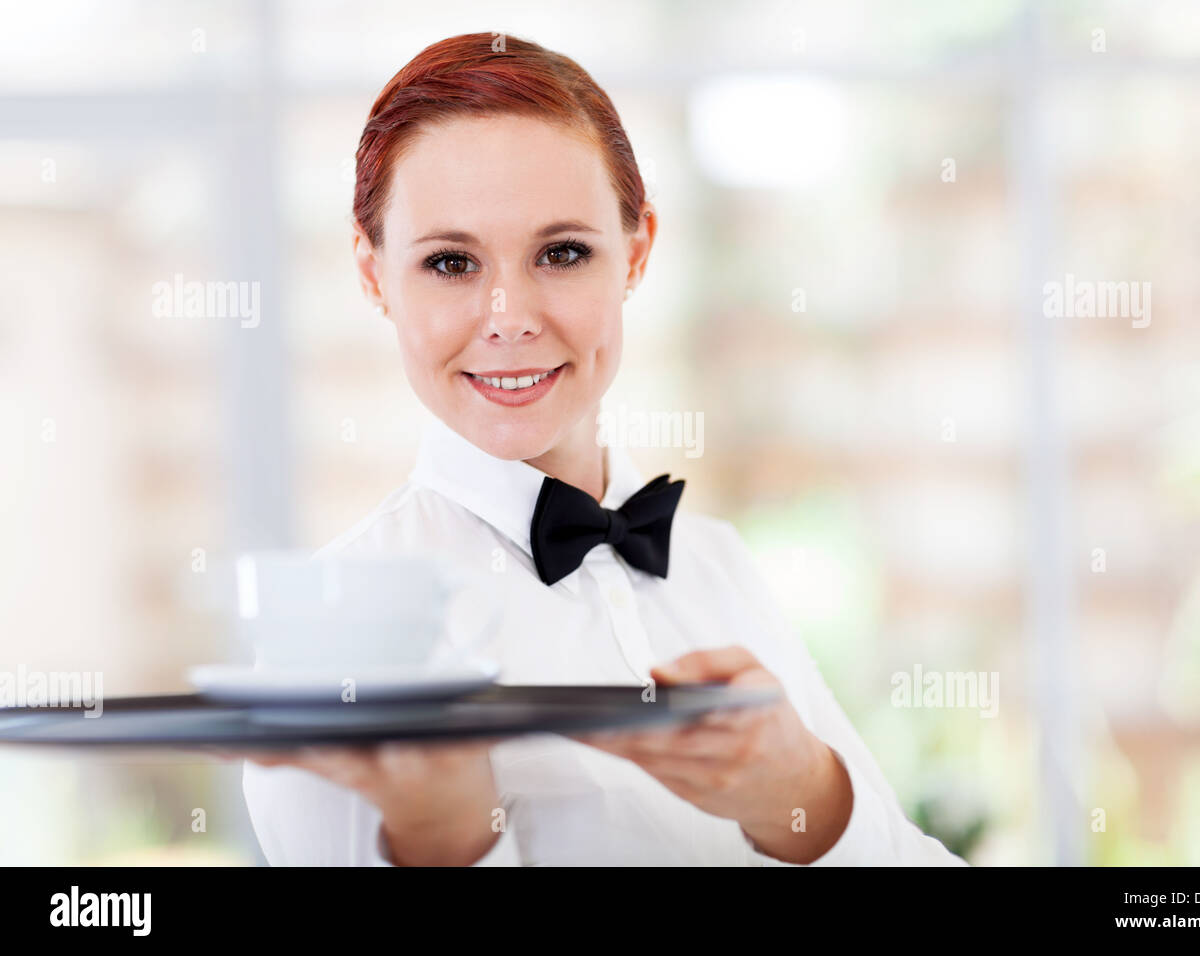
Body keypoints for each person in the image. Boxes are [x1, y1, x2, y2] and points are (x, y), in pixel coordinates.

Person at [240, 32, 965, 867]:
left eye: (562, 252)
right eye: (450, 262)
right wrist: (444, 834)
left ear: (638, 251)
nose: (508, 316)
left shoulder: (716, 564)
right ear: (373, 276)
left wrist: (803, 795)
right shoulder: (336, 632)